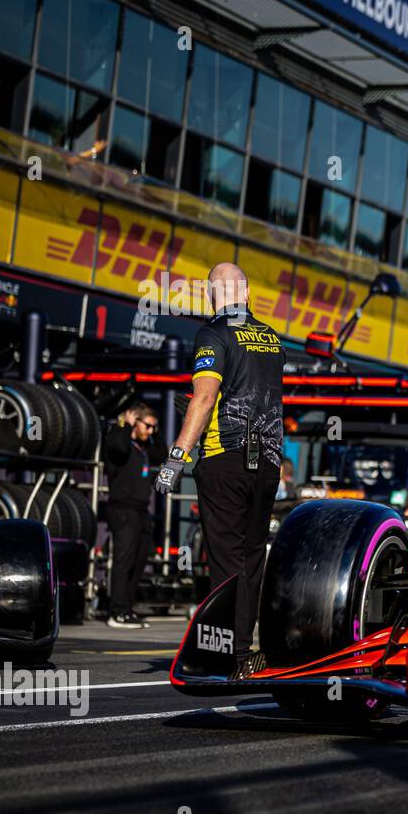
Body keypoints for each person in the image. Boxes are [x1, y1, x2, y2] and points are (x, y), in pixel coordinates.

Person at [155, 262, 283, 675]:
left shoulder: (213, 333)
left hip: (225, 457)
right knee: (250, 559)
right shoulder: (271, 337)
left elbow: (205, 398)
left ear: (213, 295)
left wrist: (176, 457)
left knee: (226, 561)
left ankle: (229, 655)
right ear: (247, 294)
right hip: (268, 461)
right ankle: (246, 651)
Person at [104, 401, 166, 628]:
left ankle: (127, 609)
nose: (150, 431)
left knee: (139, 561)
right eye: (148, 426)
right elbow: (118, 449)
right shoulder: (117, 438)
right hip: (122, 508)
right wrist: (123, 425)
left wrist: (155, 433)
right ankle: (116, 612)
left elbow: (162, 455)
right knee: (124, 561)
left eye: (154, 428)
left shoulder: (146, 446)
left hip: (141, 509)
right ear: (134, 421)